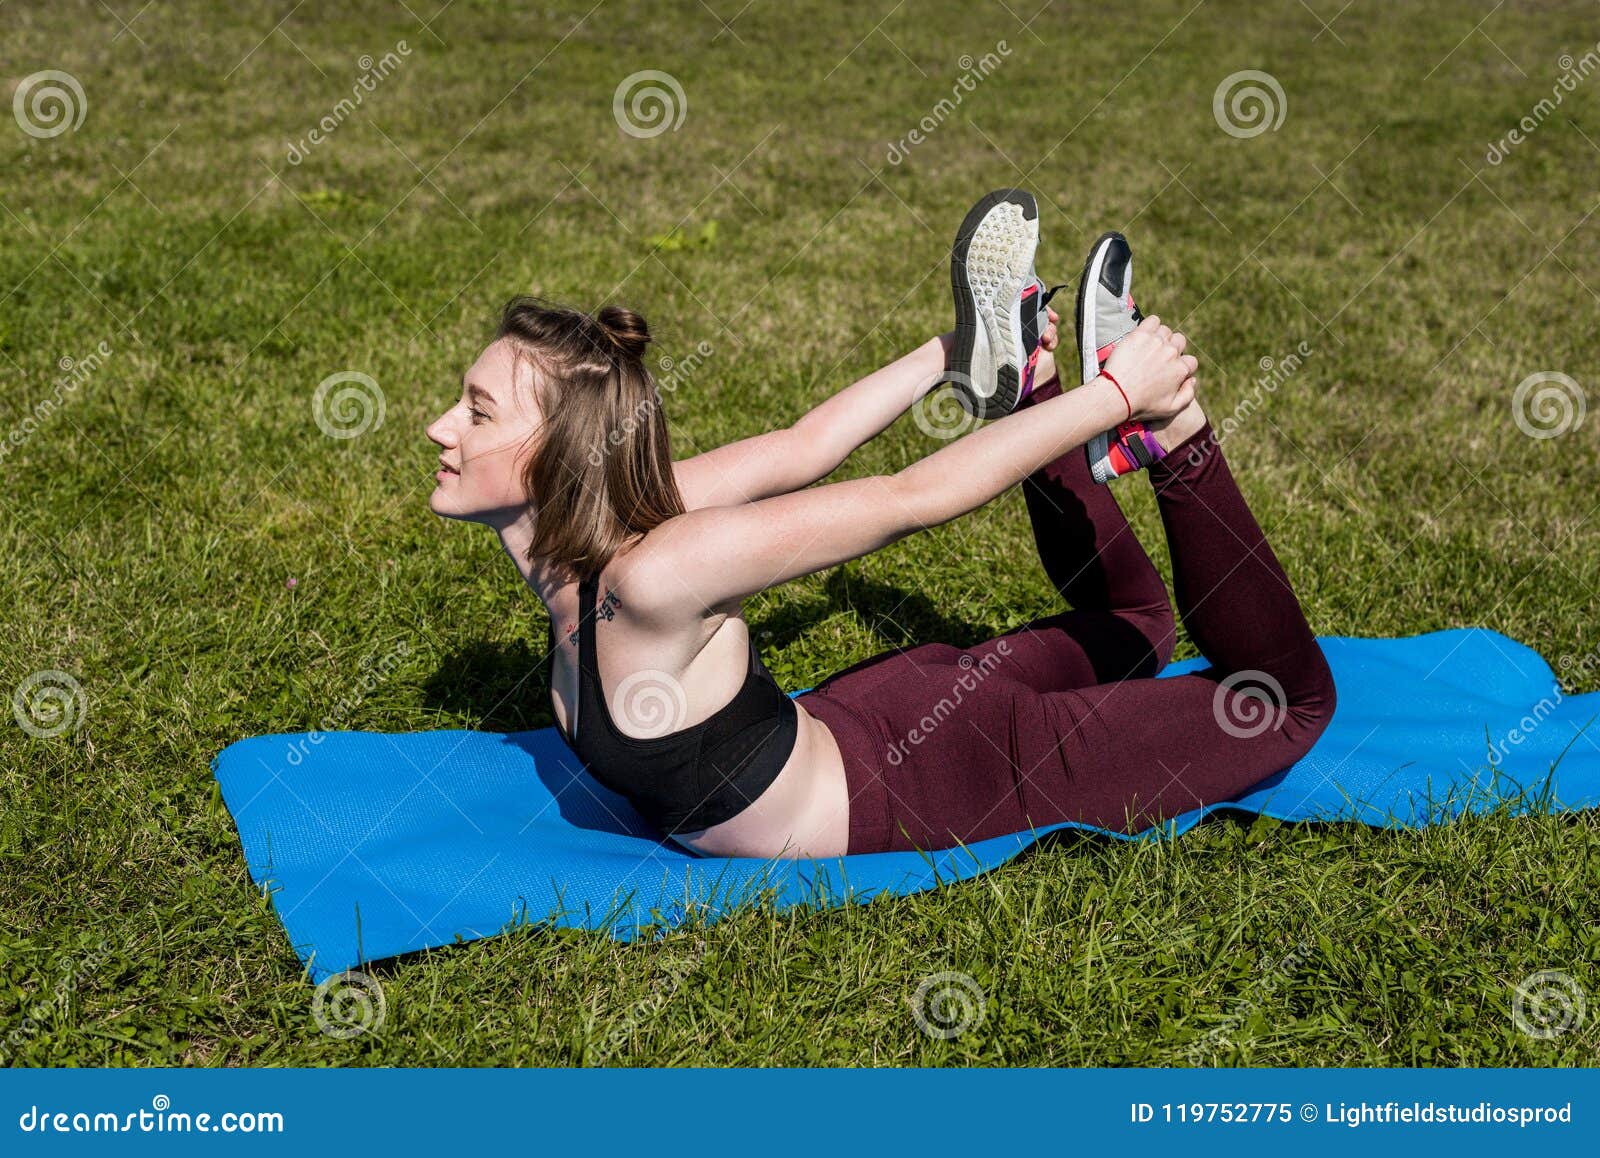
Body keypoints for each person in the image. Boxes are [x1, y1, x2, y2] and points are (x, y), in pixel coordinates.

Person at [424, 188, 1335, 860]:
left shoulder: (656, 571)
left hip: (945, 773)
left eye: (475, 412)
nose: (441, 428)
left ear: (559, 457)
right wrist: (958, 352)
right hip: (879, 719)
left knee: (1288, 707)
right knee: (1138, 631)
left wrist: (1124, 398)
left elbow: (912, 497)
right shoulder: (582, 538)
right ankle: (1041, 383)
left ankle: (1173, 430)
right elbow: (800, 444)